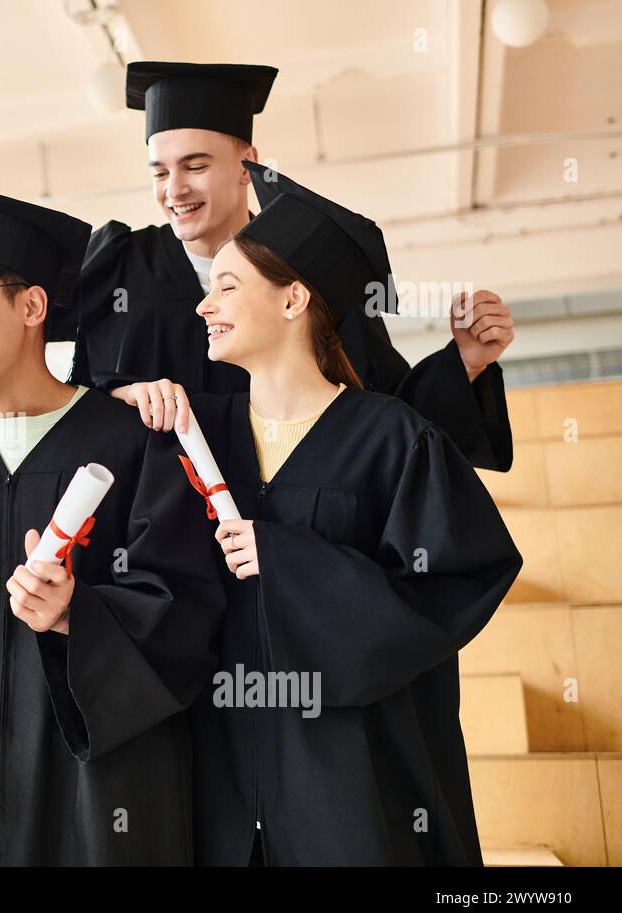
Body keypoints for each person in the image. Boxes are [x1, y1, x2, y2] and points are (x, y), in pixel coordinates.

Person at [0, 178, 226, 865]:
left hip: (97, 790)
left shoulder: (132, 442)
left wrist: (77, 617)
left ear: (31, 306)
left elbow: (187, 609)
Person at [0, 62, 516, 471]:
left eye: (195, 165)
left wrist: (464, 360)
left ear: (247, 160)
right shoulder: (115, 264)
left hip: (284, 527)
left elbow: (384, 407)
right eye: (159, 172)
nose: (174, 189)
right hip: (148, 535)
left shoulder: (308, 272)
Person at [185, 162, 522, 865]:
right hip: (220, 798)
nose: (204, 307)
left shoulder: (393, 438)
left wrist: (287, 560)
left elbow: (449, 588)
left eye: (226, 286)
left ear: (291, 300)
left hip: (353, 789)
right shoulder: (197, 436)